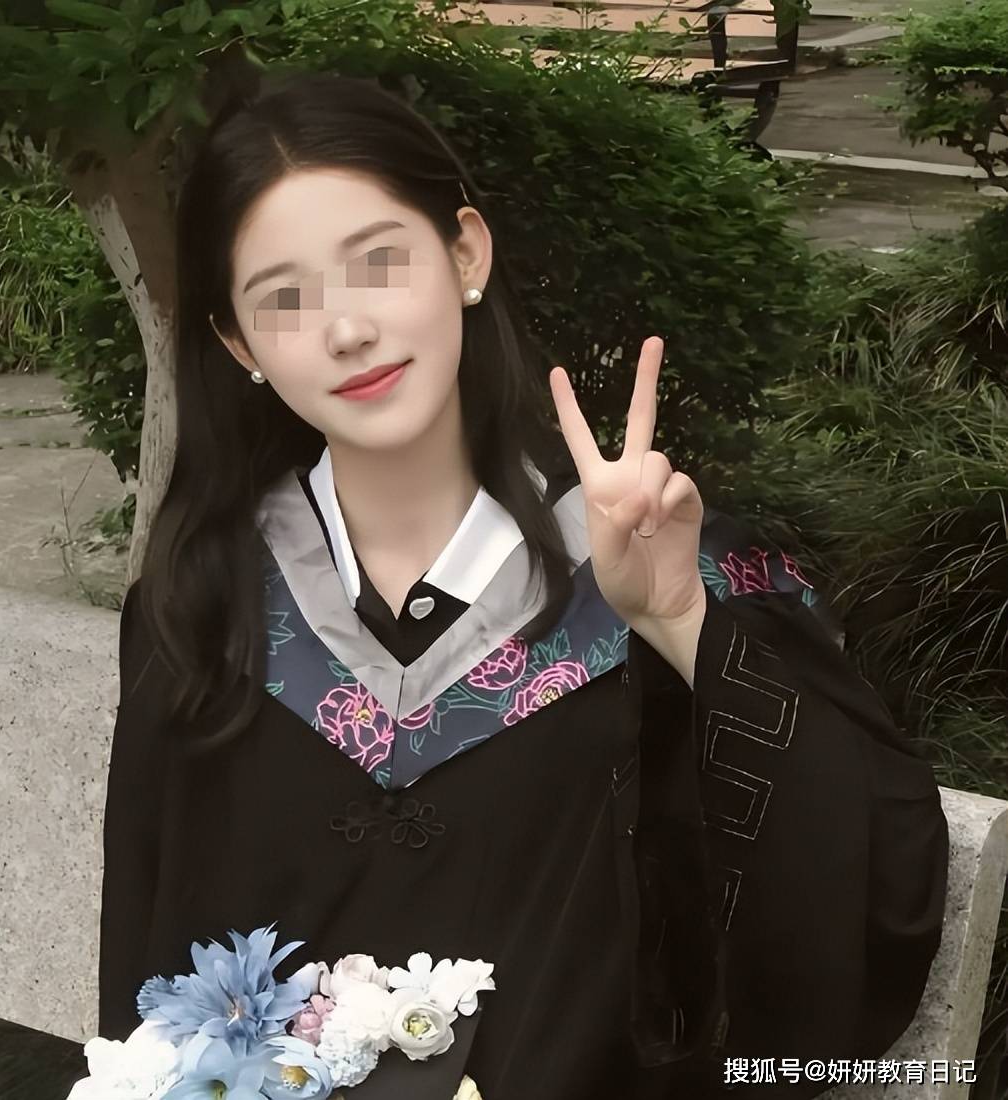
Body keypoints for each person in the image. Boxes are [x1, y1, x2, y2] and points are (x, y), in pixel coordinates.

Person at [96, 69, 949, 1098]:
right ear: (237, 343)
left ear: (465, 254)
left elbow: (867, 873)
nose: (346, 330)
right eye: (284, 298)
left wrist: (678, 622)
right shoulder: (207, 607)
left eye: (378, 263)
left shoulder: (645, 586)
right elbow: (151, 971)